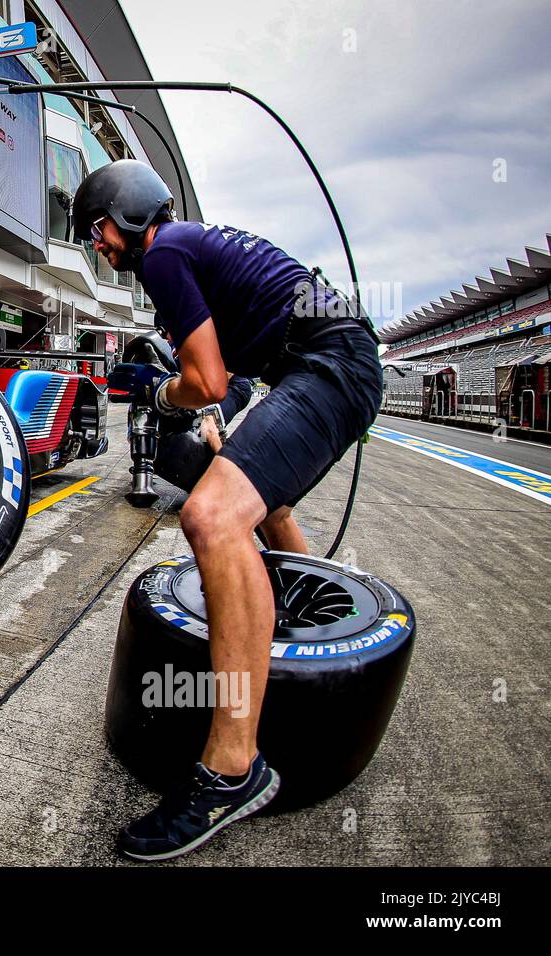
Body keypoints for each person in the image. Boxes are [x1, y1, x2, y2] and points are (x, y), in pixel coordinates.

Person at [73, 159, 381, 860]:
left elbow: (204, 378)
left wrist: (158, 396)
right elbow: (230, 378)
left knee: (210, 517)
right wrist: (213, 420)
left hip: (328, 363)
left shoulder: (165, 254)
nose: (98, 246)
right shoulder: (197, 247)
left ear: (126, 214)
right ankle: (301, 614)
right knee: (250, 501)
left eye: (97, 230)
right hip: (326, 358)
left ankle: (231, 770)